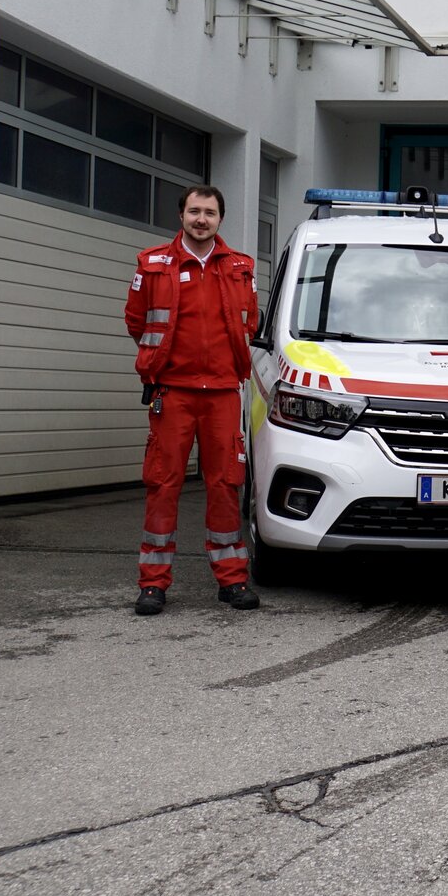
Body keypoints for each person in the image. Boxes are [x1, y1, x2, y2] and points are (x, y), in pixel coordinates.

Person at [125, 184, 261, 616]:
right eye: (194, 211)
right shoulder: (152, 264)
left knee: (226, 485)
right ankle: (153, 585)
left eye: (210, 212)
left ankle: (232, 580)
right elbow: (135, 320)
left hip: (222, 393)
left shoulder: (241, 266)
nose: (202, 219)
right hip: (173, 393)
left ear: (221, 219)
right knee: (163, 485)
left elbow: (250, 322)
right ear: (181, 215)